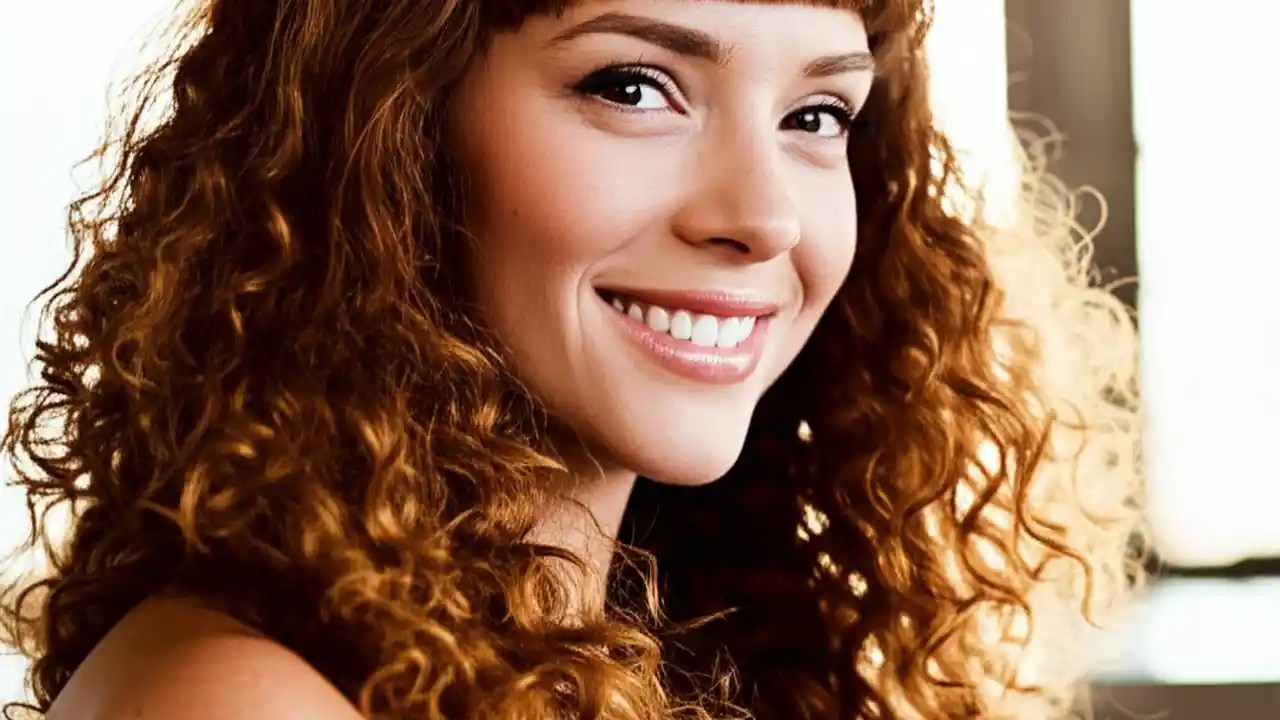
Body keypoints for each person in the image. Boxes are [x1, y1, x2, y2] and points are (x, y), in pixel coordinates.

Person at [0, 0, 1143, 718]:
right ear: (390, 133)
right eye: (633, 86)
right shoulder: (237, 701)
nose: (766, 217)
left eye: (816, 116)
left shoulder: (710, 662)